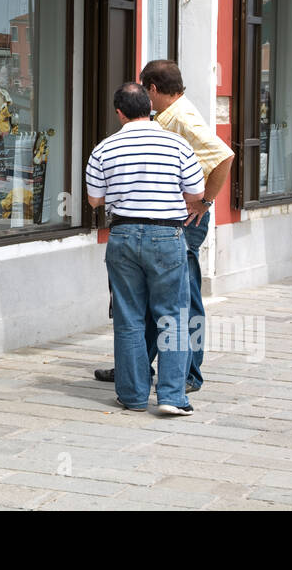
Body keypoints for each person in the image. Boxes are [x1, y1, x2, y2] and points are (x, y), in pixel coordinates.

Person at [93, 60, 233, 394]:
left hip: (184, 217)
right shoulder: (168, 117)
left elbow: (223, 155)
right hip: (167, 218)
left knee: (186, 298)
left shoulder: (180, 117)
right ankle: (139, 366)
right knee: (164, 298)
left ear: (153, 89)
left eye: (145, 90)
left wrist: (204, 202)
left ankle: (189, 372)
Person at [86, 82, 205, 415]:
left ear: (119, 112)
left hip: (122, 235)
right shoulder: (177, 144)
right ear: (150, 108)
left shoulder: (104, 148)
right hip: (167, 236)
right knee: (174, 319)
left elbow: (94, 199)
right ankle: (171, 396)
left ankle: (134, 396)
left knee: (129, 320)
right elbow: (195, 192)